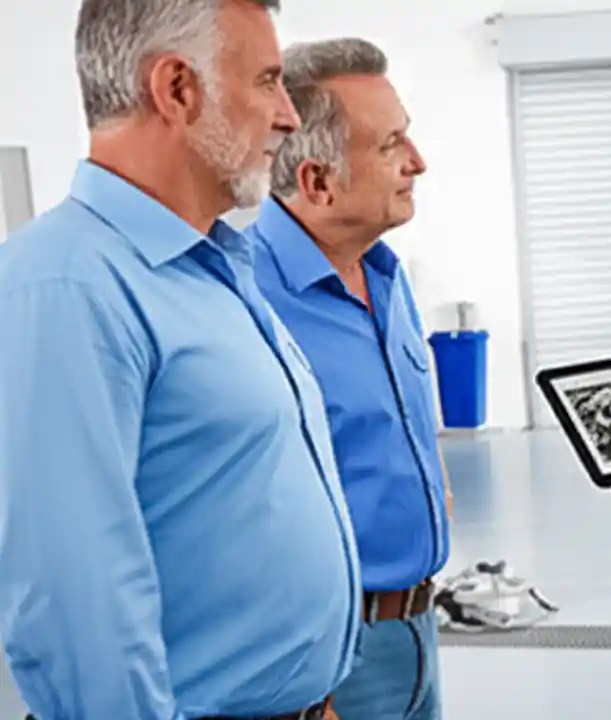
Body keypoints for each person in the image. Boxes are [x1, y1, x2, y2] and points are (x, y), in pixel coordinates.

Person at [0, 1, 362, 719]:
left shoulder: (213, 268)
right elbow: (74, 601)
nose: (288, 116)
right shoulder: (67, 284)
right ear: (176, 88)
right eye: (267, 81)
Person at [245, 38, 452, 720]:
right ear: (317, 182)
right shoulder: (243, 300)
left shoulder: (385, 274)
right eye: (391, 145)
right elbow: (228, 516)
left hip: (417, 629)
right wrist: (298, 694)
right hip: (324, 655)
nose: (417, 162)